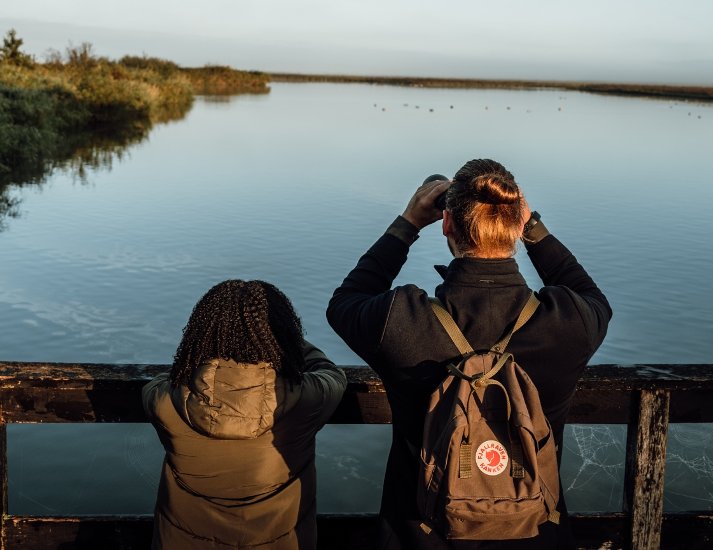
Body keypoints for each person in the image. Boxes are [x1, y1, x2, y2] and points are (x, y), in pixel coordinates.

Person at [327, 158, 611, 549]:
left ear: (446, 223)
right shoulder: (568, 322)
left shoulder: (400, 321)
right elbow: (592, 296)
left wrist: (408, 223)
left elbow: (345, 302)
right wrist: (534, 227)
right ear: (516, 224)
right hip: (536, 535)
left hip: (421, 535)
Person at [143, 279, 347, 549]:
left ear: (202, 331)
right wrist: (286, 341)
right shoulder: (306, 398)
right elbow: (333, 374)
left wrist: (201, 350)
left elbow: (162, 380)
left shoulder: (165, 401)